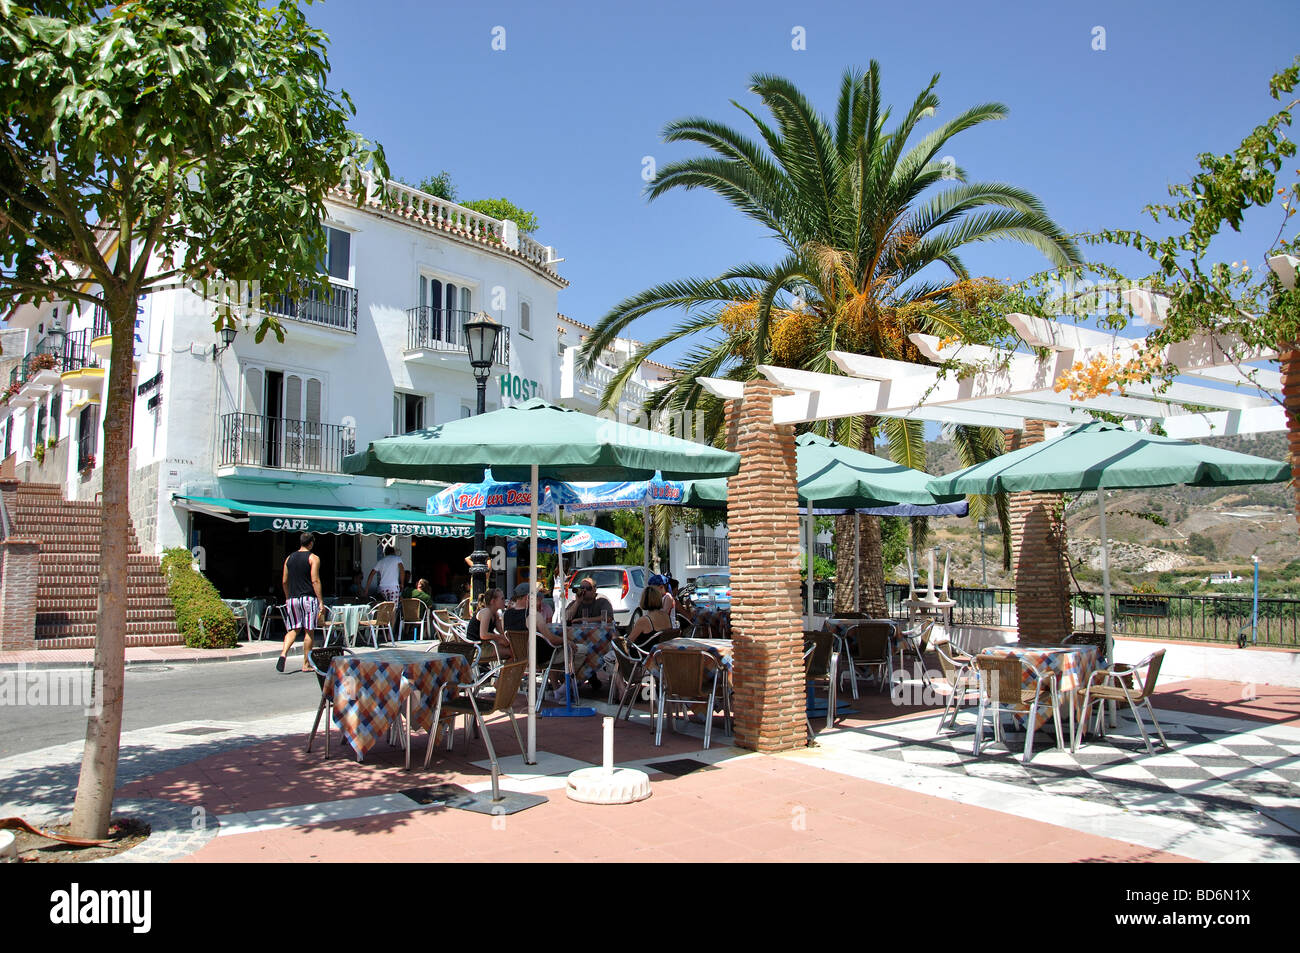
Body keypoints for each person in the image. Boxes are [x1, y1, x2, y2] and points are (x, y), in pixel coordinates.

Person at [277, 532, 322, 673]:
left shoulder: (289, 558)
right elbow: (315, 580)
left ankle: (283, 653)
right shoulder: (313, 558)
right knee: (309, 631)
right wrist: (320, 601)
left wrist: (287, 596)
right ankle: (306, 664)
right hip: (308, 598)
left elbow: (284, 581)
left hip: (292, 598)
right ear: (311, 543)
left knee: (293, 629)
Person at [465, 587, 511, 660]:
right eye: (502, 599)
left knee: (513, 649)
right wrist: (500, 638)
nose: (504, 601)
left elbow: (502, 632)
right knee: (512, 652)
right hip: (476, 649)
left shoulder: (494, 614)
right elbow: (483, 635)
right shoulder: (486, 612)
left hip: (485, 645)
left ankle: (506, 670)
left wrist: (507, 613)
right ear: (493, 601)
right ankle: (506, 671)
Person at [627, 585, 675, 649]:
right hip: (660, 654)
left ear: (644, 600)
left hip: (643, 655)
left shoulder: (644, 620)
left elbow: (629, 641)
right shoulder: (666, 617)